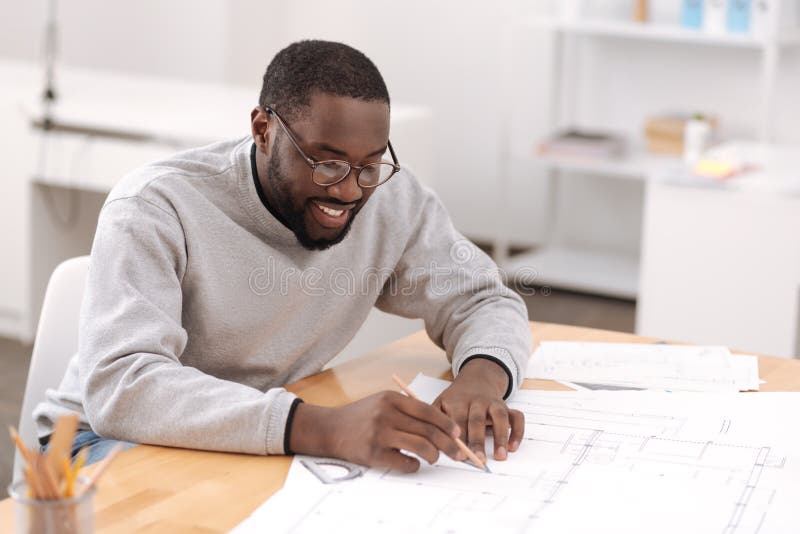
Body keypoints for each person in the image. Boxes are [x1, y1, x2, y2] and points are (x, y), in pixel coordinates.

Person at [34, 40, 531, 473]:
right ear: (263, 129)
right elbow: (123, 387)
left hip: (255, 432)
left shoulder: (390, 200)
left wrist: (481, 379)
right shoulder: (155, 207)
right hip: (101, 438)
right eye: (326, 163)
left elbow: (482, 299)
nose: (349, 191)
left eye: (370, 165)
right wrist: (323, 428)